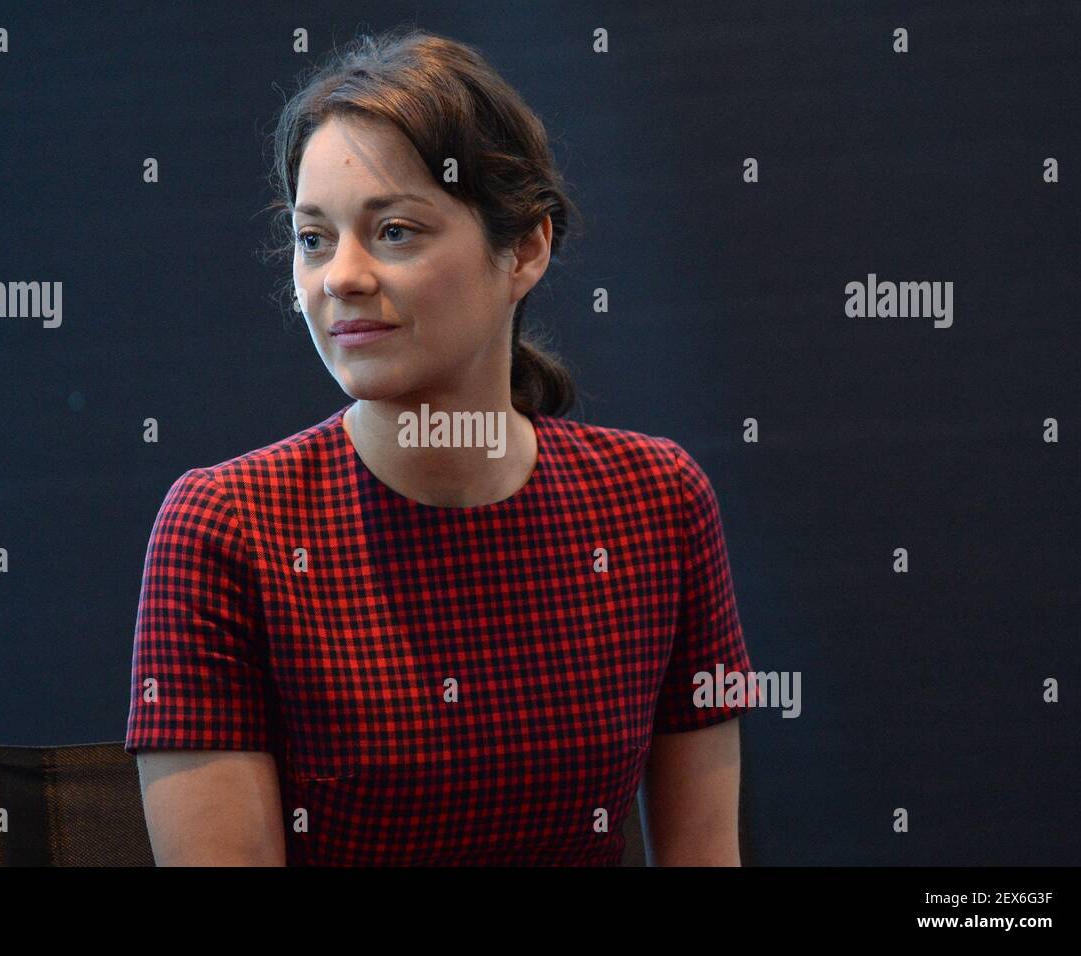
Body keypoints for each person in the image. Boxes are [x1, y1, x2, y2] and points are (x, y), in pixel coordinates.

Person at [124, 26, 755, 866]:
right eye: (314, 238)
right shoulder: (226, 528)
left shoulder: (658, 501)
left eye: (394, 232)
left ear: (525, 248)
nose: (340, 277)